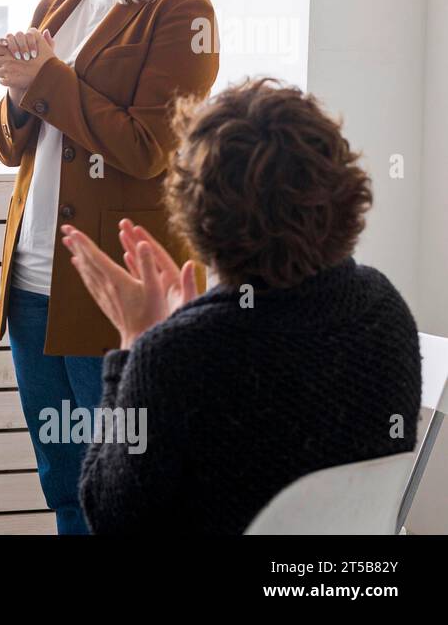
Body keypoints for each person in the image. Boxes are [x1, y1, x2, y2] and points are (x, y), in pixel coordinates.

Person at [0, 0, 219, 534]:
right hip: (32, 281)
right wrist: (21, 91)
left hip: (118, 286)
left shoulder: (182, 10)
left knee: (126, 492)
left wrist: (47, 78)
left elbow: (150, 147)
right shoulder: (61, 2)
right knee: (65, 484)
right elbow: (7, 144)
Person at [64, 79, 422, 534]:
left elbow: (110, 518)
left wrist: (135, 344)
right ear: (342, 188)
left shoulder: (173, 358)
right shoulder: (385, 310)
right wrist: (181, 329)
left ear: (198, 214)